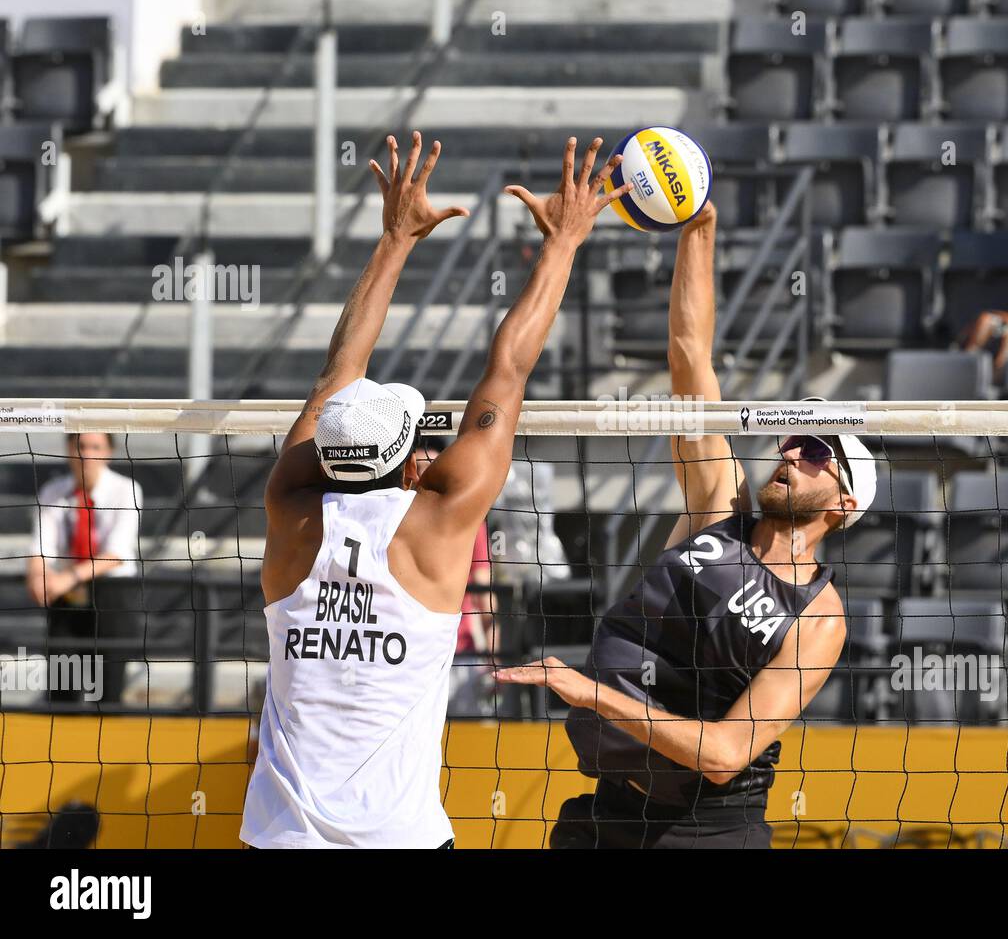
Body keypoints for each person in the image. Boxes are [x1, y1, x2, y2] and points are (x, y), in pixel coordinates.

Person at [238, 131, 632, 848]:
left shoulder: (288, 510)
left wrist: (393, 239)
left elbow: (335, 375)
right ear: (411, 459)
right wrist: (564, 243)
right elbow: (506, 371)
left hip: (282, 838)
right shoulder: (439, 523)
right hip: (401, 837)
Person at [495, 201, 875, 849]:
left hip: (706, 830)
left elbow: (727, 753)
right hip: (611, 810)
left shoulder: (819, 616)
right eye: (791, 442)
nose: (789, 453)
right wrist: (698, 230)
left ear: (844, 503)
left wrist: (593, 696)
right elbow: (689, 359)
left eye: (814, 453)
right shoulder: (717, 511)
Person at [27, 432, 142, 706]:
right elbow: (40, 547)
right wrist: (37, 575)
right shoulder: (53, 491)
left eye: (95, 446)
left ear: (109, 452)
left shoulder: (126, 489)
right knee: (62, 688)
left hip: (113, 597)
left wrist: (68, 577)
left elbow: (117, 553)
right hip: (67, 598)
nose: (87, 454)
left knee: (108, 692)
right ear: (68, 449)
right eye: (80, 445)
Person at [416, 433, 497, 716]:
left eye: (433, 468)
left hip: (460, 653)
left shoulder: (468, 521)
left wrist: (493, 655)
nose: (426, 476)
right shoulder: (390, 518)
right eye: (420, 468)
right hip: (407, 654)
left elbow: (484, 592)